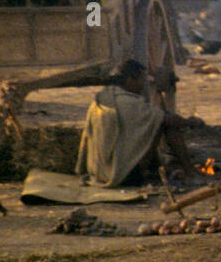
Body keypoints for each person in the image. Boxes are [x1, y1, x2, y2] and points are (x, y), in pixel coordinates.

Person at [75, 60, 204, 187]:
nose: (143, 85)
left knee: (151, 124)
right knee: (164, 123)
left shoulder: (102, 98)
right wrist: (190, 122)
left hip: (98, 172)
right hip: (121, 175)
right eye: (141, 80)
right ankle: (190, 171)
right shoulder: (128, 103)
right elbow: (167, 119)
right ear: (130, 81)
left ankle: (165, 169)